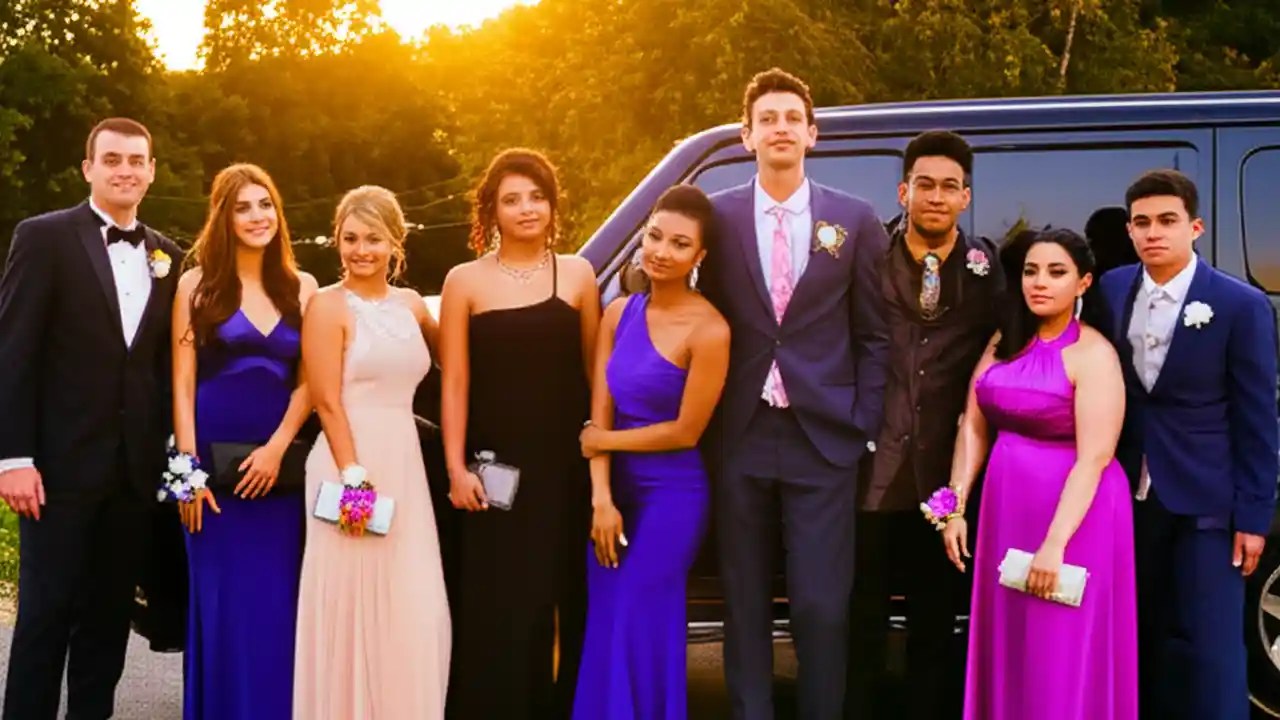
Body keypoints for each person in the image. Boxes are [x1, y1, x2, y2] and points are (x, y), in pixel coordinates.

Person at [698, 68, 889, 719]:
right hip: (740, 433)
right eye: (767, 119)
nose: (780, 128)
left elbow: (875, 333)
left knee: (820, 605)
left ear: (812, 133)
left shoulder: (852, 219)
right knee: (744, 600)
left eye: (791, 118)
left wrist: (862, 420)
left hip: (823, 438)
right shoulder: (717, 216)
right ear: (747, 135)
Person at [0, 118, 184, 720]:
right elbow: (14, 352)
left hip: (133, 477)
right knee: (45, 617)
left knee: (107, 624)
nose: (125, 170)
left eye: (136, 160)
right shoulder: (43, 238)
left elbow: (162, 369)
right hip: (56, 472)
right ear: (88, 169)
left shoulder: (168, 256)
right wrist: (14, 458)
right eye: (112, 159)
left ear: (151, 171)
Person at [1096, 169, 1278, 720]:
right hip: (1129, 497)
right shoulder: (1111, 288)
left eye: (1167, 221)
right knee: (1142, 638)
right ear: (1129, 230)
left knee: (1212, 647)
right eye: (1142, 222)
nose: (1154, 232)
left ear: (1194, 227)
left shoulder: (1240, 304)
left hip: (1208, 501)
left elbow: (1257, 417)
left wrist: (1253, 516)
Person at [945, 228, 1138, 719]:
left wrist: (1054, 544)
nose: (1040, 282)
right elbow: (973, 425)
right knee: (1011, 639)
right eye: (1031, 271)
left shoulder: (1094, 353)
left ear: (1083, 282)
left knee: (1059, 643)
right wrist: (954, 506)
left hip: (1076, 516)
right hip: (1006, 508)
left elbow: (1094, 457)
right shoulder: (1003, 341)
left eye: (1056, 272)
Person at [846, 131, 1004, 720]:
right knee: (859, 622)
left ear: (966, 197)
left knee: (935, 626)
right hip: (869, 473)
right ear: (903, 191)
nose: (936, 197)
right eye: (925, 185)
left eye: (949, 187)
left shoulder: (990, 272)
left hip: (945, 481)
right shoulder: (864, 261)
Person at [440, 148, 600, 719]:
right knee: (496, 604)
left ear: (553, 205)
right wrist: (455, 468)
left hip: (565, 470)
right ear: (492, 210)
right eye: (511, 199)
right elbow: (454, 381)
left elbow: (596, 377)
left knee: (558, 600)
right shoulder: (463, 281)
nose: (526, 208)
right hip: (492, 472)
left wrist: (600, 466)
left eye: (537, 197)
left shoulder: (578, 274)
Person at [572, 184, 730, 720]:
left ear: (699, 255)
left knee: (637, 616)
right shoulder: (618, 314)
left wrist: (604, 443)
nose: (661, 251)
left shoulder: (710, 330)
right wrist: (600, 498)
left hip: (672, 498)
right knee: (607, 619)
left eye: (679, 244)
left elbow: (686, 432)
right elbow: (599, 413)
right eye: (655, 236)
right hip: (613, 495)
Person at [293, 185, 451, 719]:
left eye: (374, 239)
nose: (361, 250)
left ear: (395, 242)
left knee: (415, 607)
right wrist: (354, 479)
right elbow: (326, 400)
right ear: (337, 241)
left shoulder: (412, 307)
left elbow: (457, 360)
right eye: (351, 238)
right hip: (348, 468)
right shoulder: (327, 306)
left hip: (405, 466)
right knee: (352, 604)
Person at [169, 163, 318, 719]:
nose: (258, 217)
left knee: (278, 603)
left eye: (265, 204)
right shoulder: (195, 285)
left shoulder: (304, 287)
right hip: (211, 472)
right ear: (223, 217)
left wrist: (277, 447)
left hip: (282, 469)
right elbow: (182, 384)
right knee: (222, 604)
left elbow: (311, 382)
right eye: (243, 207)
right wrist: (186, 475)